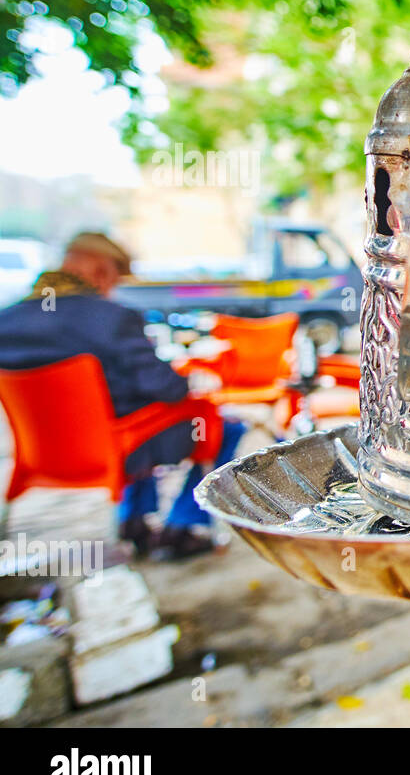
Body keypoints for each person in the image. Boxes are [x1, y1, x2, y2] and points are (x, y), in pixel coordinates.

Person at [0, 232, 245, 558]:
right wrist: (186, 378)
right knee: (224, 424)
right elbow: (167, 388)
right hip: (116, 448)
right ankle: (183, 526)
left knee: (131, 410)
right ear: (102, 271)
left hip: (39, 453)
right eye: (115, 278)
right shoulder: (111, 317)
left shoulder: (8, 320)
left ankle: (134, 522)